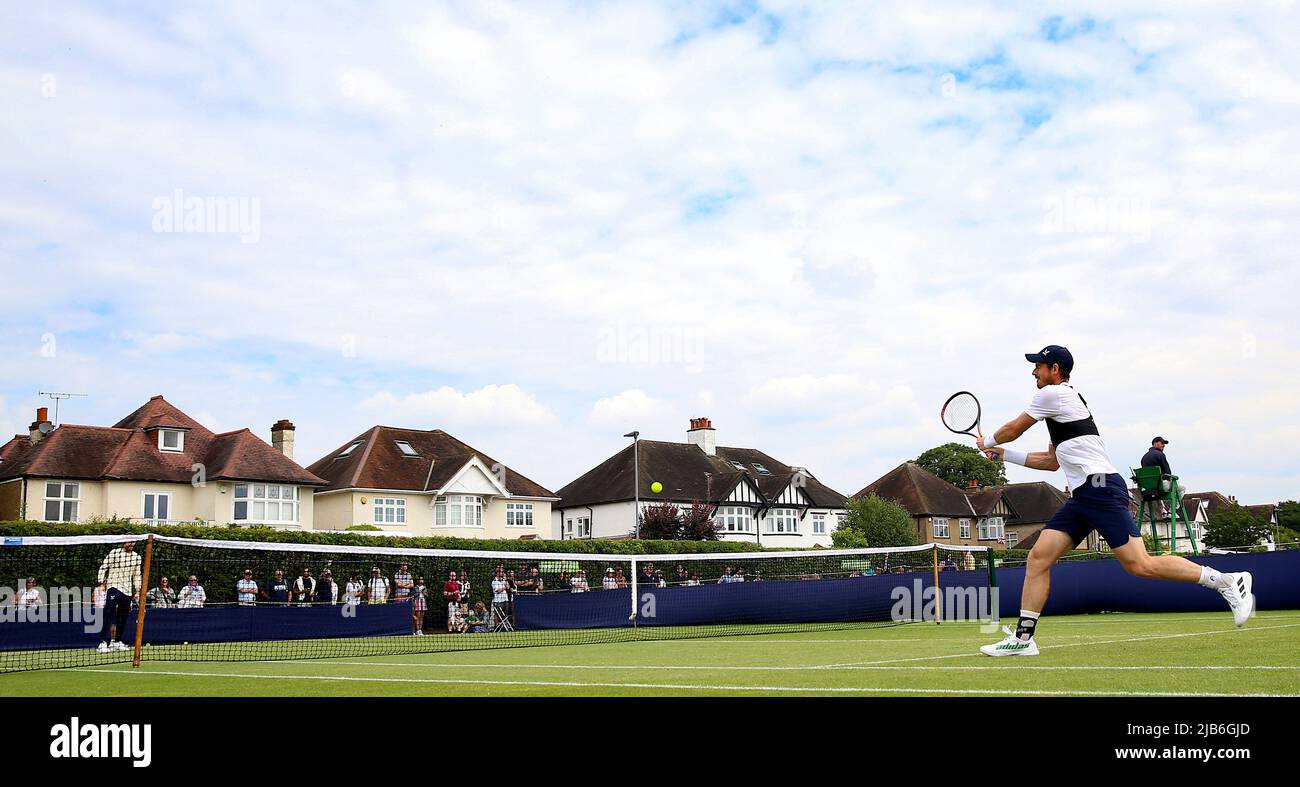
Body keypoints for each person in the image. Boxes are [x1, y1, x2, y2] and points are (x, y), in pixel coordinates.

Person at [976, 345, 1255, 656]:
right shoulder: (1062, 408)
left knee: (1141, 565)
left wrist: (988, 441)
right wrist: (1003, 454)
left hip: (1101, 488)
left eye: (1039, 366)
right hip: (1084, 494)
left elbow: (1013, 429)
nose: (1033, 372)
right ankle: (1023, 639)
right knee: (1038, 558)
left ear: (1055, 370)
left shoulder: (1052, 395)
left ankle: (1227, 581)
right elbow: (1052, 461)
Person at [96, 540, 141, 653]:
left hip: (127, 590)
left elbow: (137, 574)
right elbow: (103, 567)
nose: (131, 544)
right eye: (129, 542)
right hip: (113, 586)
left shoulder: (137, 557)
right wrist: (101, 581)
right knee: (108, 612)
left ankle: (116, 642)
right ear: (123, 542)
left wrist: (138, 590)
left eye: (133, 542)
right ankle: (103, 642)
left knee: (123, 617)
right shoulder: (114, 553)